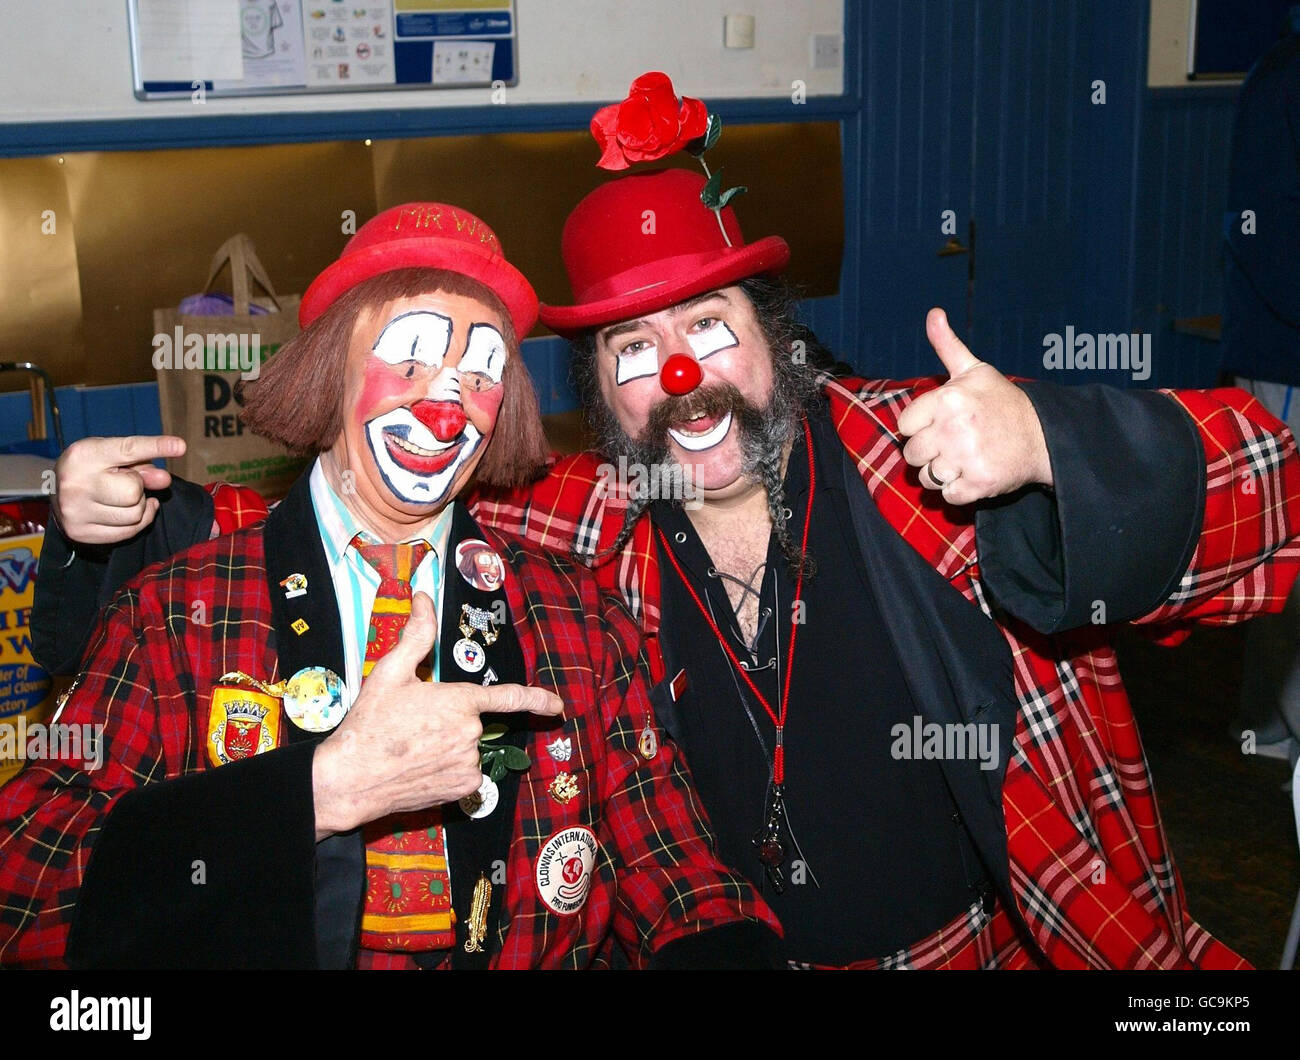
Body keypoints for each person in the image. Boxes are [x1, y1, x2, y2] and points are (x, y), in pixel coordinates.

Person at [30, 75, 1300, 969]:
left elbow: (1271, 489)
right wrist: (138, 521)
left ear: (777, 343)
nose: (679, 376)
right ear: (600, 399)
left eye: (710, 330)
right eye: (635, 348)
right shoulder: (600, 520)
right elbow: (363, 506)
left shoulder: (933, 465)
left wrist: (1053, 446)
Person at [0, 201, 776, 969]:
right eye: (409, 361)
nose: (448, 410)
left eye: (480, 377)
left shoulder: (571, 612)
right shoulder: (178, 616)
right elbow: (24, 895)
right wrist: (315, 793)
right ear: (330, 369)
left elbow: (674, 868)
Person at [1220, 8, 1300, 764]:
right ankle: (1275, 726)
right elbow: (1263, 235)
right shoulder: (1285, 76)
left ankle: (1276, 723)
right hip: (1285, 353)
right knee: (1286, 547)